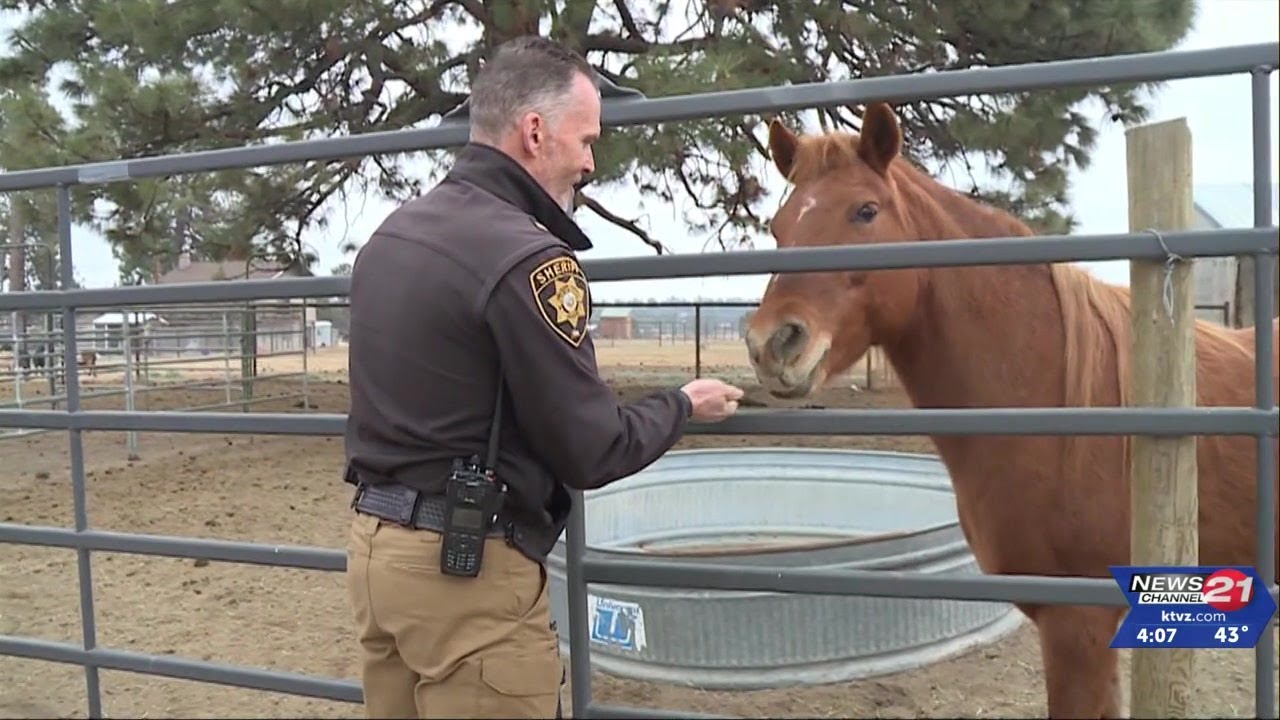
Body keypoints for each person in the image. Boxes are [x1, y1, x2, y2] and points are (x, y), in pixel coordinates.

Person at [341, 34, 745, 719]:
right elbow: (590, 446)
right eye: (585, 140)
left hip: (378, 554)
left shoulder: (394, 235)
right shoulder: (528, 259)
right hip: (465, 578)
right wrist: (679, 403)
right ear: (534, 132)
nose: (591, 161)